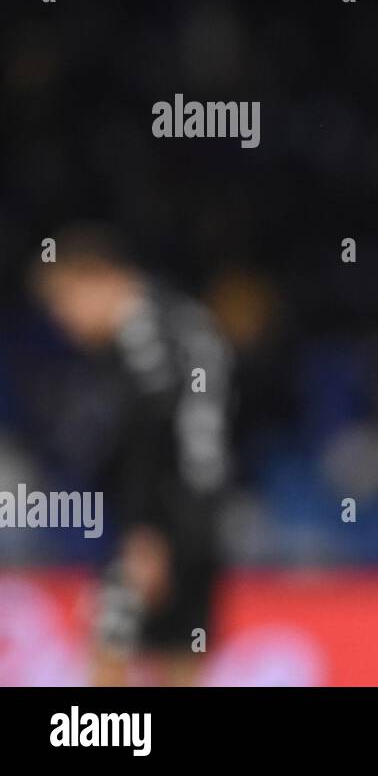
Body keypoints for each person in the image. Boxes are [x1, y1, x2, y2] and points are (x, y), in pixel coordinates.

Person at [28, 224, 232, 686]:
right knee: (180, 655)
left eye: (64, 300)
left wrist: (148, 532)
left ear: (98, 277)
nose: (63, 319)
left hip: (160, 526)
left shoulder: (143, 336)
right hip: (198, 523)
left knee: (109, 649)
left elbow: (156, 433)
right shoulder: (182, 321)